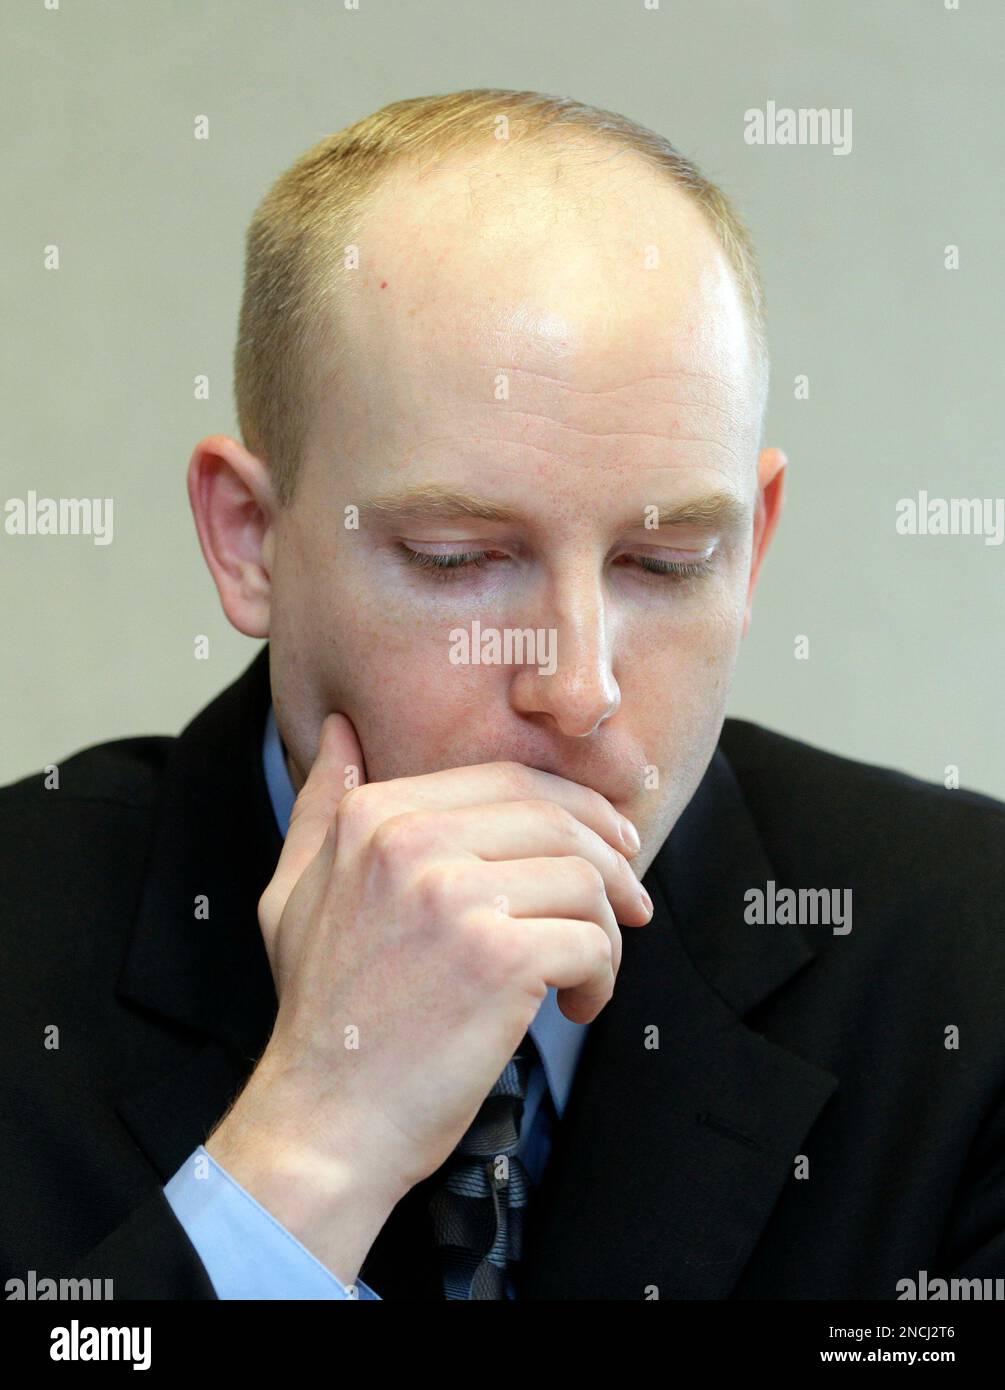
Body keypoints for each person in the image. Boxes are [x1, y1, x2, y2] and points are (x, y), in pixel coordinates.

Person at [3, 88, 1004, 1302]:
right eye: (458, 559)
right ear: (251, 539)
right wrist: (315, 1145)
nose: (580, 687)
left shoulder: (969, 963)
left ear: (758, 545)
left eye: (665, 563)